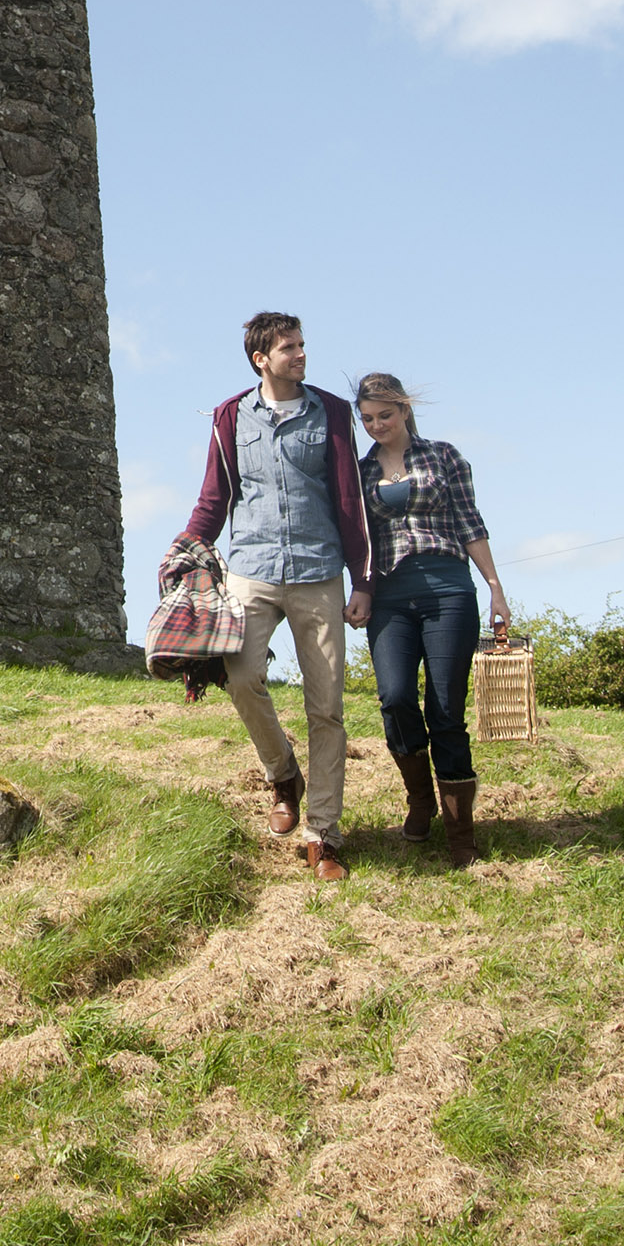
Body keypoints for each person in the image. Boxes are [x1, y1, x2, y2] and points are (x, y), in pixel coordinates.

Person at [182, 312, 371, 883]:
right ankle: (281, 773)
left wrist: (362, 579)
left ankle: (325, 834)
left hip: (318, 571)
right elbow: (215, 498)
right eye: (289, 348)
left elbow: (349, 499)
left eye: (303, 345)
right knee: (240, 677)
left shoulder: (332, 413)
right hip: (251, 569)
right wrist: (187, 545)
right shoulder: (228, 418)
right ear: (261, 358)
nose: (301, 355)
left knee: (327, 707)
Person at [355, 372, 510, 869]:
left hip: (448, 590)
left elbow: (470, 522)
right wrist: (358, 589)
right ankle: (420, 798)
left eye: (385, 415)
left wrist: (494, 587)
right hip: (390, 596)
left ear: (404, 410)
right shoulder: (359, 473)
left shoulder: (444, 456)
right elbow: (356, 540)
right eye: (368, 419)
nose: (377, 425)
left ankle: (461, 833)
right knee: (395, 697)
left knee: (446, 710)